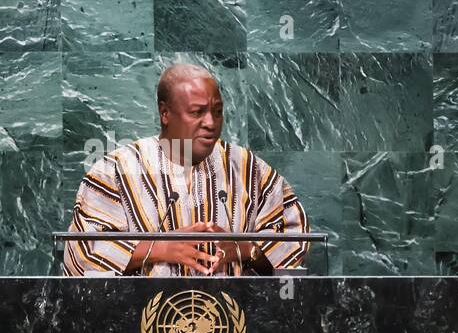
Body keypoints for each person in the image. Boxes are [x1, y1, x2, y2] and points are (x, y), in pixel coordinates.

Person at [64, 64, 310, 277]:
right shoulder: (116, 171)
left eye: (217, 111)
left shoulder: (248, 168)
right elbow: (83, 255)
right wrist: (162, 248)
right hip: (137, 324)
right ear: (165, 114)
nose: (211, 123)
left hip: (233, 322)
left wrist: (240, 248)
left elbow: (293, 243)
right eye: (197, 112)